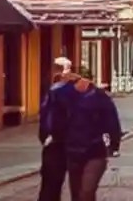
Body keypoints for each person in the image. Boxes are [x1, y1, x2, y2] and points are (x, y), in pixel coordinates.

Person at [46, 66, 123, 201]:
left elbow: (112, 121)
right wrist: (55, 136)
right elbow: (54, 118)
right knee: (77, 194)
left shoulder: (99, 97)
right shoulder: (64, 95)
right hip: (73, 150)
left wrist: (114, 144)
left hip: (95, 150)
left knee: (86, 191)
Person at [37, 57, 73, 201]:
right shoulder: (55, 89)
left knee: (52, 181)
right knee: (52, 181)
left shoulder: (60, 89)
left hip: (59, 141)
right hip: (57, 142)